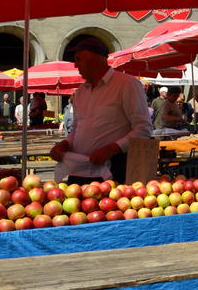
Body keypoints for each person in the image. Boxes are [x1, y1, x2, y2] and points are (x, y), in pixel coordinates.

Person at [49, 36, 151, 184]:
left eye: (79, 59)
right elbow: (77, 129)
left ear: (95, 60)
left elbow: (143, 129)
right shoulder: (81, 92)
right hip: (80, 169)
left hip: (113, 169)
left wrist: (111, 149)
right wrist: (64, 144)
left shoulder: (127, 85)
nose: (75, 65)